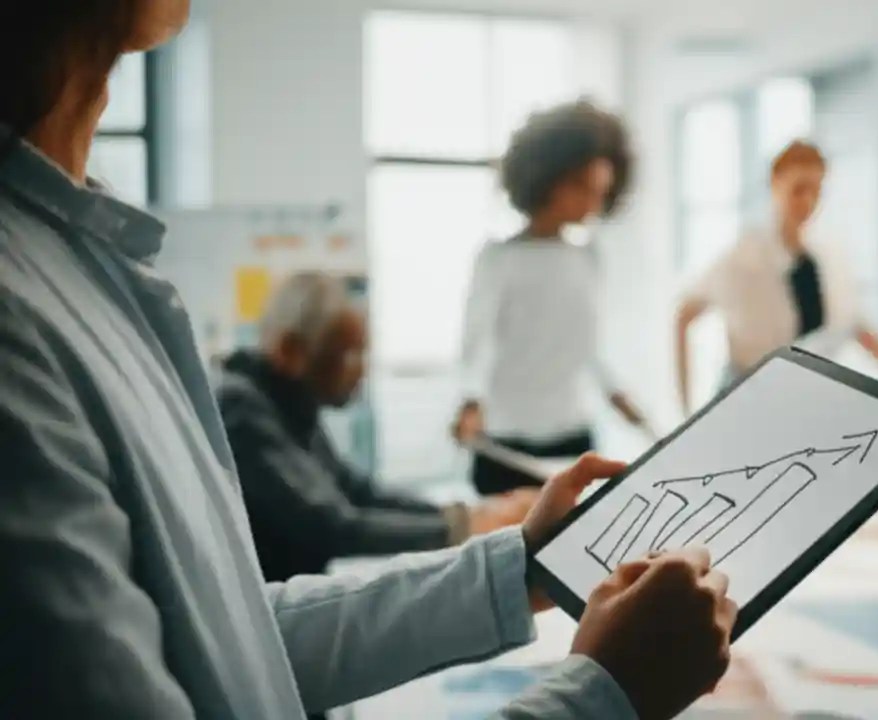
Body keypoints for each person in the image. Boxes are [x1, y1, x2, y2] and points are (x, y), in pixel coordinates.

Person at [0, 4, 736, 718]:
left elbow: (226, 638)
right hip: (510, 437)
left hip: (562, 439)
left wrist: (518, 565)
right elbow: (330, 522)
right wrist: (605, 695)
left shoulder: (82, 261)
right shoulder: (23, 311)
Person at [218, 272, 539, 582]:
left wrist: (468, 516)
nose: (360, 371)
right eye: (348, 355)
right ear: (290, 350)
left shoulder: (288, 401)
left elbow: (357, 491)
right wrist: (463, 525)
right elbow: (329, 527)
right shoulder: (242, 409)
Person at [453, 101, 649, 496]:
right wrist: (470, 402)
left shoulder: (588, 257)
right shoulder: (498, 259)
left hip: (571, 438)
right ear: (549, 178)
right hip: (507, 442)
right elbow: (476, 343)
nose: (593, 203)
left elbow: (588, 346)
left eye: (601, 192)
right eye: (584, 188)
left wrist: (619, 396)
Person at [675, 140, 878, 416]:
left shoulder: (826, 256)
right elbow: (684, 315)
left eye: (816, 191)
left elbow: (851, 322)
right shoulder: (742, 258)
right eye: (798, 189)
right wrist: (686, 410)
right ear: (775, 183)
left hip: (806, 399)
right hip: (750, 402)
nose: (807, 202)